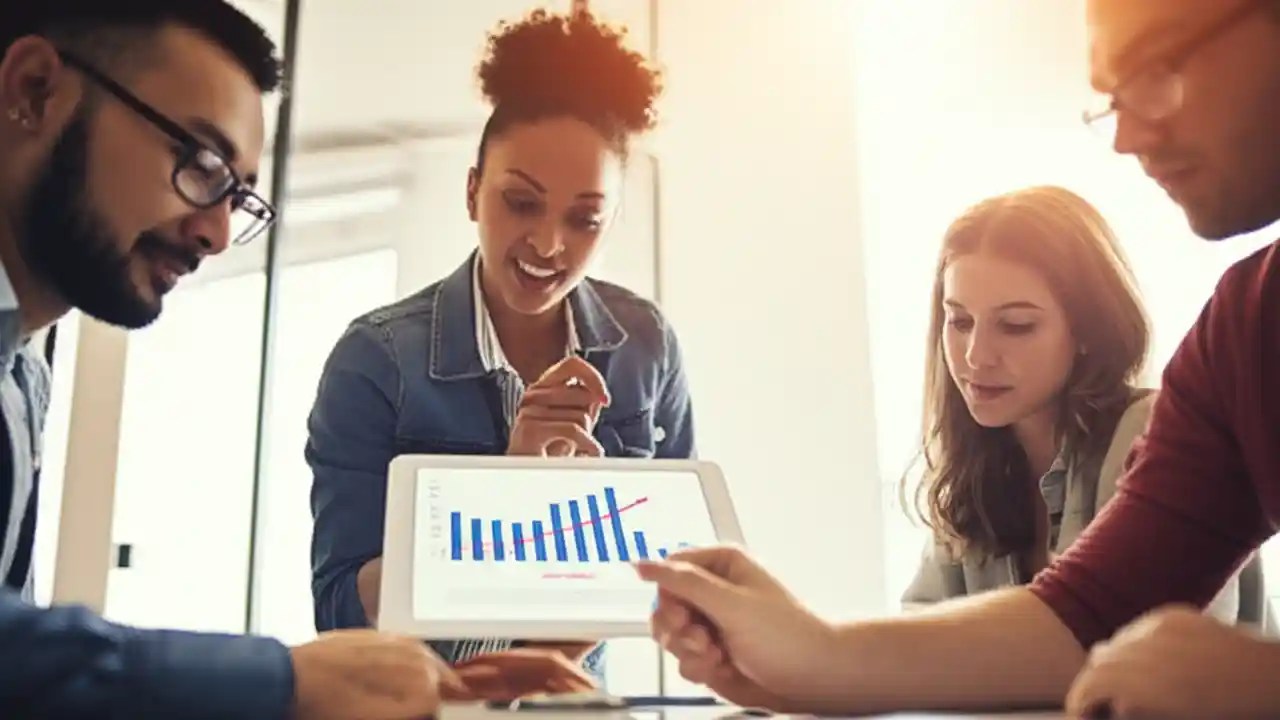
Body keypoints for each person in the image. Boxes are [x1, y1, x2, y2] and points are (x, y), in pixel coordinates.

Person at [636, 0, 1280, 718]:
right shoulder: (1242, 328)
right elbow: (1087, 618)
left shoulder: (1157, 408)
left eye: (1155, 72)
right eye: (1112, 100)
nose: (1127, 137)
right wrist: (804, 658)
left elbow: (1136, 652)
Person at [0, 3, 589, 718]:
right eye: (202, 165)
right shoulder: (379, 356)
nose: (218, 233)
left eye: (238, 196)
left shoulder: (24, 373)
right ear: (34, 90)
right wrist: (284, 681)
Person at [308, 6, 692, 679]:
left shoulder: (645, 347)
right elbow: (341, 609)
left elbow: (680, 560)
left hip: (570, 700)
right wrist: (507, 497)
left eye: (584, 219)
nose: (548, 244)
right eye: (521, 202)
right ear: (472, 192)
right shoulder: (375, 361)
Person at [899, 185, 1251, 623]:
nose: (976, 356)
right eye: (960, 321)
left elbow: (1161, 648)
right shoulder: (974, 472)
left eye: (1015, 325)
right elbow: (917, 630)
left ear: (1088, 329)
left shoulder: (1152, 435)